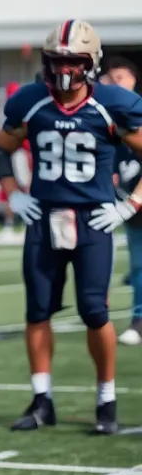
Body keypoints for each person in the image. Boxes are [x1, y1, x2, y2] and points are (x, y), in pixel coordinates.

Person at [0, 20, 142, 436]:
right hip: (43, 217)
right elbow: (0, 150)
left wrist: (130, 205)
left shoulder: (111, 105)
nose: (63, 70)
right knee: (37, 311)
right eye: (56, 60)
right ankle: (42, 400)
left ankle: (106, 399)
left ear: (90, 64)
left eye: (73, 61)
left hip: (93, 219)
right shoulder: (31, 102)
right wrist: (14, 193)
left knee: (95, 311)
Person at [99, 57, 142, 345]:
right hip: (131, 203)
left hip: (136, 197)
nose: (116, 83)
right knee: (139, 264)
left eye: (122, 77)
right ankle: (139, 320)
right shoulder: (108, 116)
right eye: (111, 77)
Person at [0, 81, 33, 241]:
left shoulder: (24, 108)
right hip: (17, 151)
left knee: (23, 188)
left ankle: (19, 222)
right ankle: (11, 223)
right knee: (15, 189)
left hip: (23, 151)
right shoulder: (14, 110)